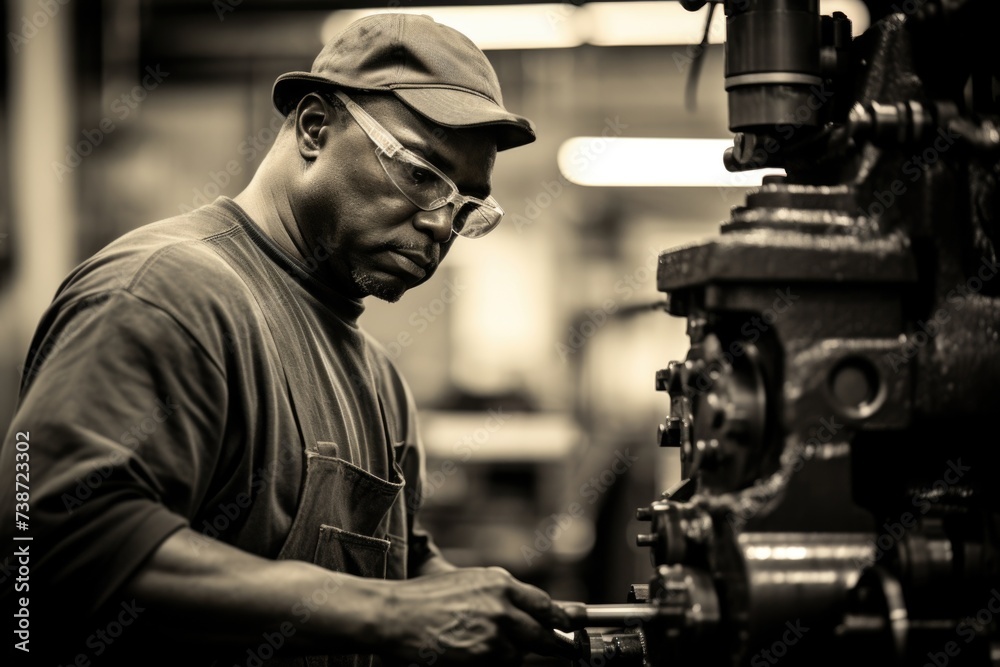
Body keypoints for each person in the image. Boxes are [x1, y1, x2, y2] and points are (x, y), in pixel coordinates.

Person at [0, 13, 574, 667]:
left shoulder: (378, 379)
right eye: (420, 174)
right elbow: (53, 542)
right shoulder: (167, 292)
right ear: (314, 127)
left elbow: (399, 568)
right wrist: (391, 613)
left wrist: (502, 617)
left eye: (467, 206)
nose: (442, 224)